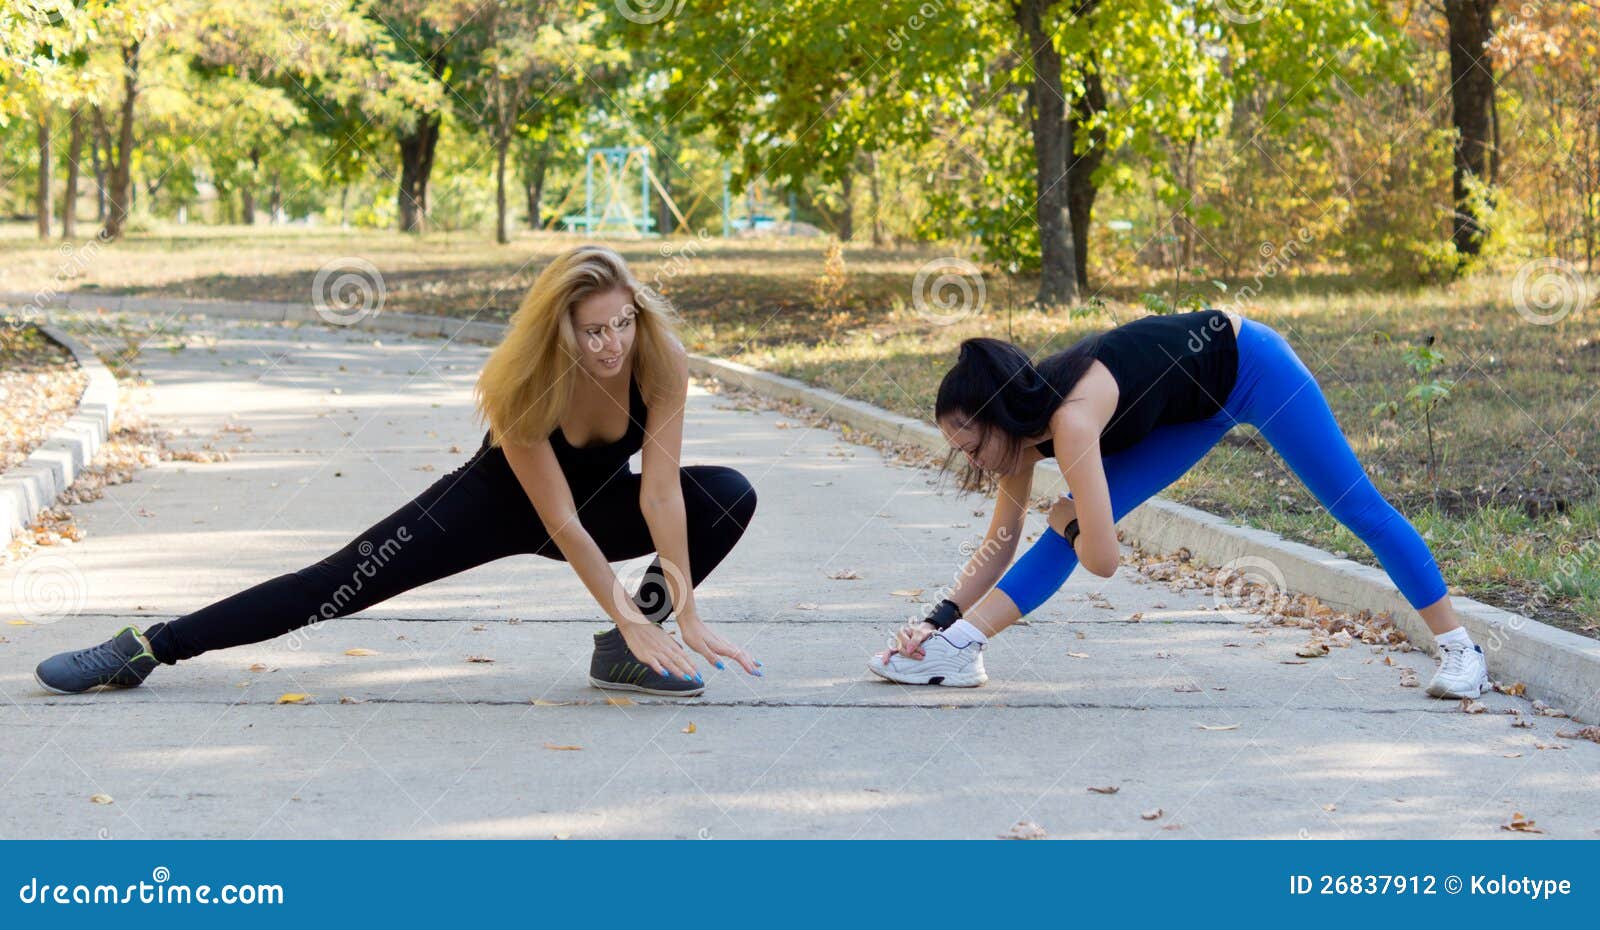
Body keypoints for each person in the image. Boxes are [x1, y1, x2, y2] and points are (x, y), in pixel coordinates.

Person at [36, 244, 761, 698]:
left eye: (623, 322)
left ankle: (623, 655)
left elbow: (661, 493)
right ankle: (147, 646)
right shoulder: (522, 383)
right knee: (332, 585)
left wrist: (677, 610)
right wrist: (627, 611)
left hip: (603, 504)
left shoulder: (661, 363)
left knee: (724, 496)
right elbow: (560, 522)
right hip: (502, 502)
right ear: (560, 327)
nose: (612, 344)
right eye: (593, 329)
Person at [868, 307, 1489, 700]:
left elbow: (1105, 561)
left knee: (1358, 508)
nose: (972, 461)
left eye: (972, 446)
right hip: (1190, 409)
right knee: (1068, 520)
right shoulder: (1019, 441)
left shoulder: (1072, 420)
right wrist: (939, 620)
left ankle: (1462, 649)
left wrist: (1074, 518)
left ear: (998, 417)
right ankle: (959, 648)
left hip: (1252, 367)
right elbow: (999, 544)